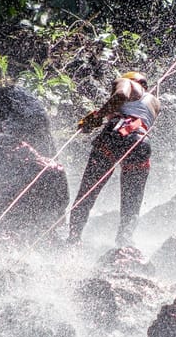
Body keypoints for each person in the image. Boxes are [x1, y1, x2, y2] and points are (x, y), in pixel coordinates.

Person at [68, 71, 161, 246]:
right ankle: (124, 244)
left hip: (115, 134)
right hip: (140, 144)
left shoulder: (127, 82)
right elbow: (137, 115)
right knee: (132, 201)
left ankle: (73, 239)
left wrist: (97, 116)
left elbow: (120, 95)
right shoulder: (155, 103)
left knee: (88, 191)